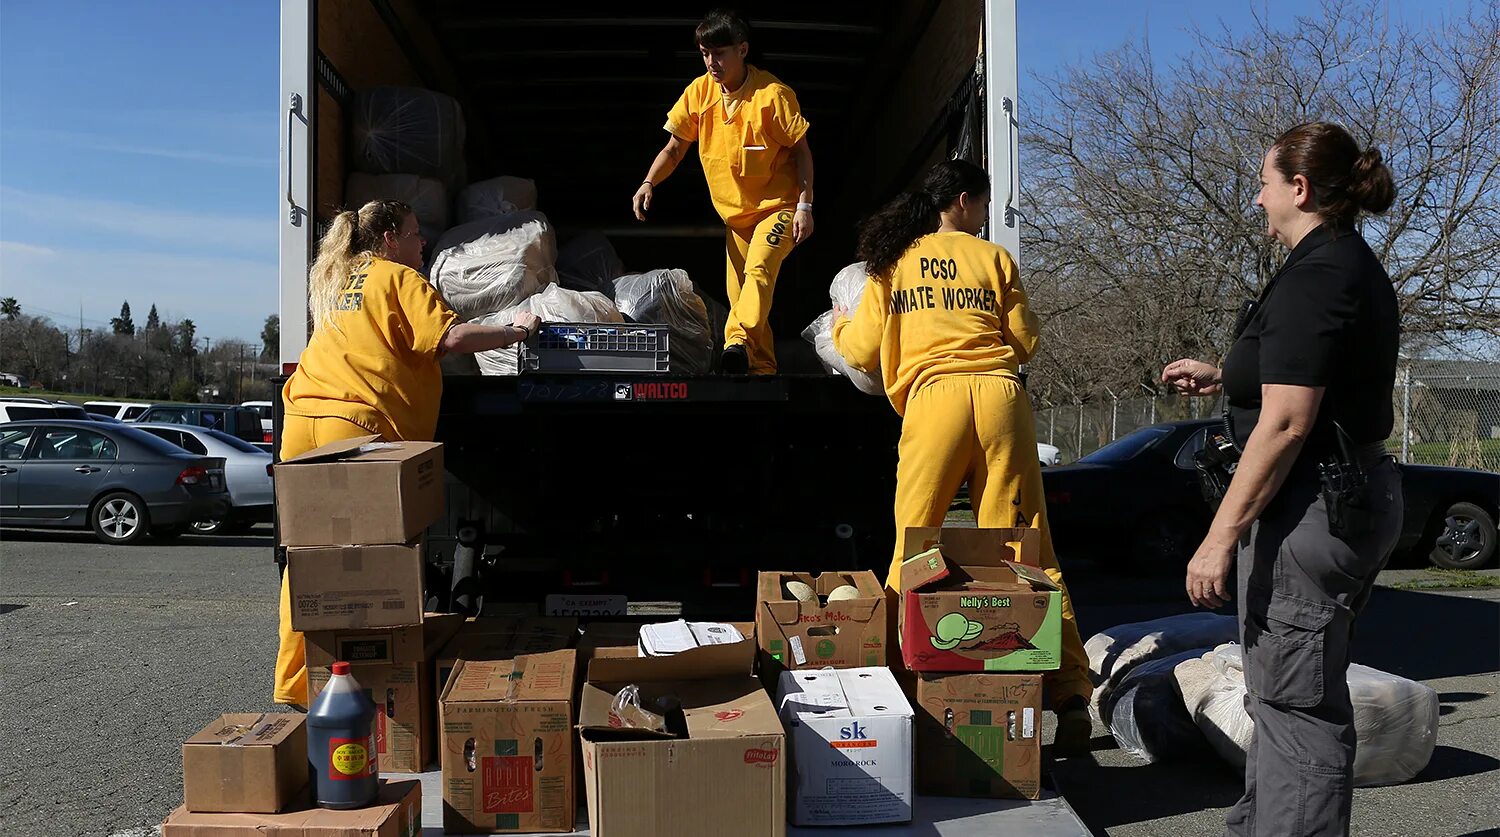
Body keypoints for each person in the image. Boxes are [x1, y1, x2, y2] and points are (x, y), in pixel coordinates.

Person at [1162, 122, 1400, 837]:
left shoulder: (1319, 276)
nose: (1258, 198)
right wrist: (1226, 376)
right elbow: (1303, 379)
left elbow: (1289, 422)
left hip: (1311, 507)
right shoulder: (1334, 263)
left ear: (1299, 188)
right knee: (1277, 697)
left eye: (1264, 184)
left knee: (1297, 709)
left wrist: (1218, 537)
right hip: (1329, 496)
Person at [832, 159, 1094, 754]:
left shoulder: (893, 261)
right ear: (961, 201)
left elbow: (862, 351)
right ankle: (1069, 696)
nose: (984, 214)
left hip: (933, 404)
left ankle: (897, 686)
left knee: (914, 546)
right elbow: (1025, 342)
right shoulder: (994, 259)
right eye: (983, 203)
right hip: (1001, 400)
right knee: (1027, 549)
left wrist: (842, 325)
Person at [274, 199, 539, 707]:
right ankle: (372, 687)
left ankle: (296, 684)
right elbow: (452, 338)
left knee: (306, 562)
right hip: (351, 430)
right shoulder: (398, 278)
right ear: (390, 239)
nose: (423, 243)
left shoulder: (340, 279)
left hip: (302, 423)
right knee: (367, 565)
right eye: (416, 233)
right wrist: (519, 330)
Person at [632, 9, 814, 375]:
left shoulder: (772, 96)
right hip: (736, 220)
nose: (711, 63)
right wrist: (649, 181)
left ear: (742, 50)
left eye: (719, 53)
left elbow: (801, 152)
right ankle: (762, 369)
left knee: (759, 271)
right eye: (704, 54)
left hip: (777, 209)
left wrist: (804, 207)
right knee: (744, 296)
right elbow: (674, 149)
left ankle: (735, 342)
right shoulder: (699, 93)